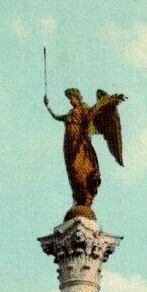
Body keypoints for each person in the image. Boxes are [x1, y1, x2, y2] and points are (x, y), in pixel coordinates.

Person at [44, 88, 126, 219]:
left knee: (78, 168)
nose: (70, 101)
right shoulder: (70, 113)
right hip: (69, 144)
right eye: (69, 99)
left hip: (80, 142)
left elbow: (91, 115)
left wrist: (106, 101)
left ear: (77, 97)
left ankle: (86, 197)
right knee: (72, 170)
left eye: (71, 98)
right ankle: (78, 198)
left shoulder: (83, 109)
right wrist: (48, 107)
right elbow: (58, 117)